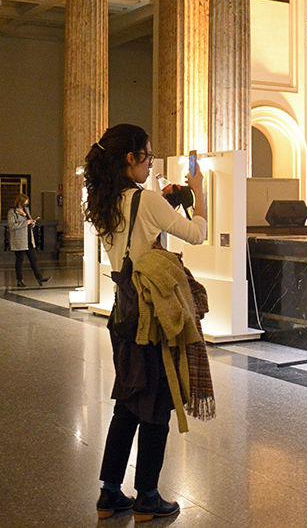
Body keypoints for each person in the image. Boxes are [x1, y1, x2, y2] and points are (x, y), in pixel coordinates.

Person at [83, 124, 207, 522]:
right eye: (147, 156)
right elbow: (196, 234)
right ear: (130, 159)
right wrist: (198, 191)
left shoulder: (102, 202)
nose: (151, 162)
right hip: (151, 318)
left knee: (128, 402)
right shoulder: (147, 200)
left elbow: (132, 244)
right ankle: (148, 498)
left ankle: (109, 494)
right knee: (157, 405)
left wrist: (160, 206)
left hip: (123, 314)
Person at [7, 194, 48, 287]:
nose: (26, 205)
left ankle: (39, 277)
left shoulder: (27, 210)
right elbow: (12, 225)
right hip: (19, 239)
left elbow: (29, 223)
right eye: (24, 204)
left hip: (29, 238)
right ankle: (19, 280)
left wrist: (32, 223)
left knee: (34, 259)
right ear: (20, 203)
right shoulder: (12, 212)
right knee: (19, 260)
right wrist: (25, 223)